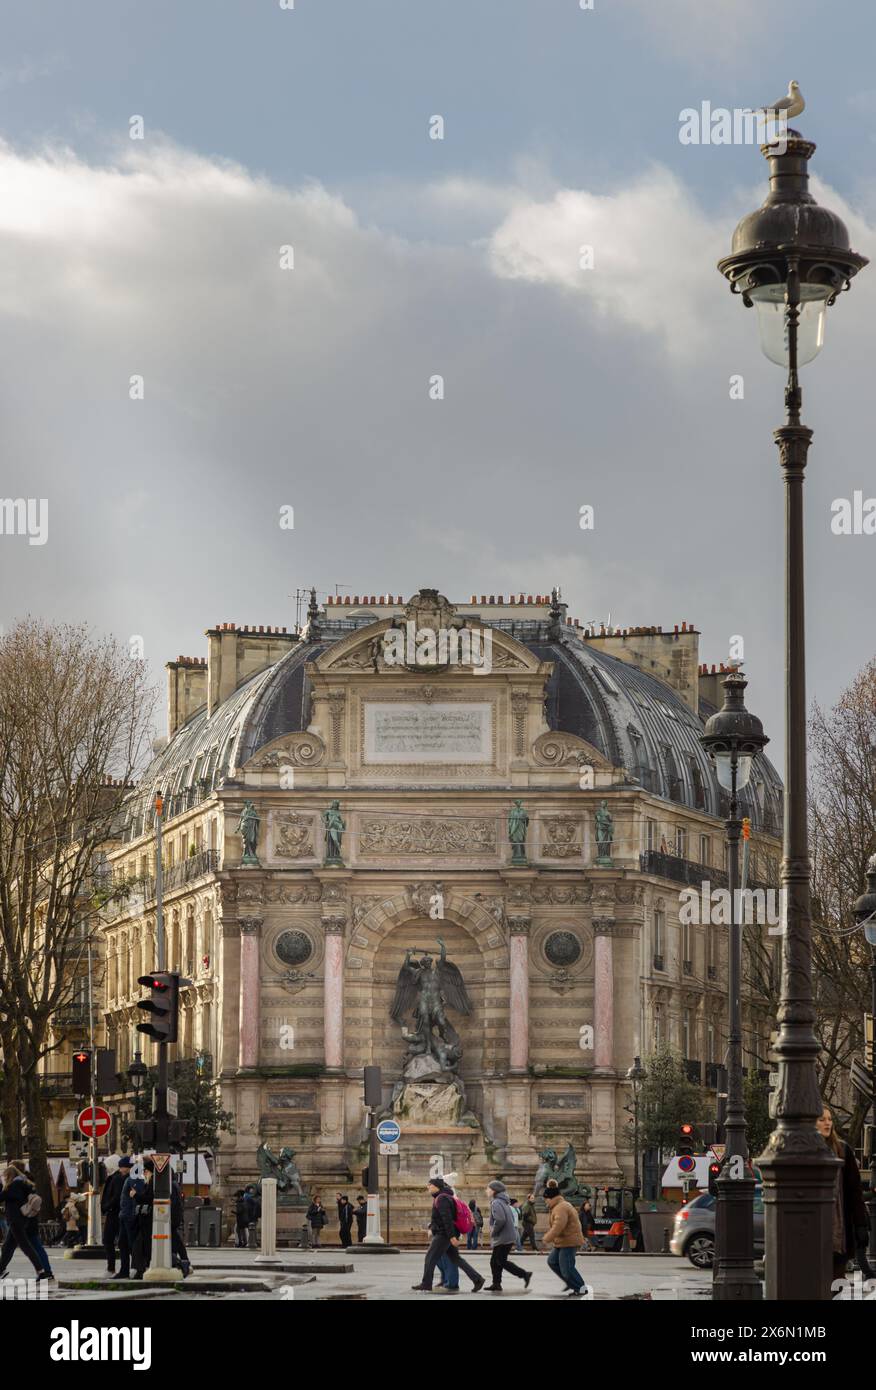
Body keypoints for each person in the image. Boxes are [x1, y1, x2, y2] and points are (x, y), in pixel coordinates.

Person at [816, 1106, 871, 1281]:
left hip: (839, 1229)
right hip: (815, 1226)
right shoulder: (806, 1149)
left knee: (836, 1280)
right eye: (822, 1119)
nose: (827, 1123)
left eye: (830, 1119)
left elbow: (855, 1192)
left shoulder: (842, 1150)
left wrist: (860, 1225)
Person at [411, 1177, 486, 1294]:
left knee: (430, 1257)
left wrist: (451, 1237)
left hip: (444, 1234)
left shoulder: (442, 1199)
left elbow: (447, 1219)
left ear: (436, 1186)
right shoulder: (445, 1197)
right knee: (456, 1259)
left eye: (429, 1185)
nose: (428, 1187)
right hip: (447, 1233)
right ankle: (477, 1279)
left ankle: (426, 1283)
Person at [0, 1164, 50, 1280]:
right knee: (7, 1247)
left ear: (10, 1175)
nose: (5, 1178)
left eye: (5, 1176)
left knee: (26, 1247)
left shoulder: (14, 1186)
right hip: (21, 1220)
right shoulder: (24, 1183)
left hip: (15, 1220)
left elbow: (2, 1197)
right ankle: (1, 1269)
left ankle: (41, 1271)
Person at [542, 1180, 587, 1296]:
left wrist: (547, 1238)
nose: (544, 1201)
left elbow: (558, 1226)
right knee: (552, 1261)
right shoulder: (557, 1206)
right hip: (562, 1241)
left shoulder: (560, 1208)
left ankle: (581, 1288)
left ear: (550, 1198)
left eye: (545, 1198)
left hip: (569, 1241)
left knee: (567, 1268)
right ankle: (571, 1282)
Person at [485, 1181, 531, 1293]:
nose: (486, 1190)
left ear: (494, 1191)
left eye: (488, 1188)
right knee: (495, 1261)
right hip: (508, 1235)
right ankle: (496, 1284)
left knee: (500, 1261)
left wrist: (493, 1232)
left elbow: (500, 1220)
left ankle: (524, 1274)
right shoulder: (503, 1201)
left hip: (503, 1236)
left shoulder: (496, 1202)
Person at [101, 1157, 130, 1275]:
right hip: (117, 1212)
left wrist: (106, 1206)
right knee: (123, 1242)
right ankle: (129, 1267)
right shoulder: (117, 1177)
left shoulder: (116, 1178)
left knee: (109, 1240)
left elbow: (116, 1196)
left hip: (114, 1213)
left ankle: (111, 1268)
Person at [119, 1166, 146, 1277]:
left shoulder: (133, 1179)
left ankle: (136, 1269)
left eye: (122, 1167)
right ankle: (129, 1270)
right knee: (125, 1244)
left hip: (129, 1216)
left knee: (131, 1245)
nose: (120, 1170)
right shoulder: (132, 1178)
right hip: (126, 1215)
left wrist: (131, 1215)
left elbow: (136, 1197)